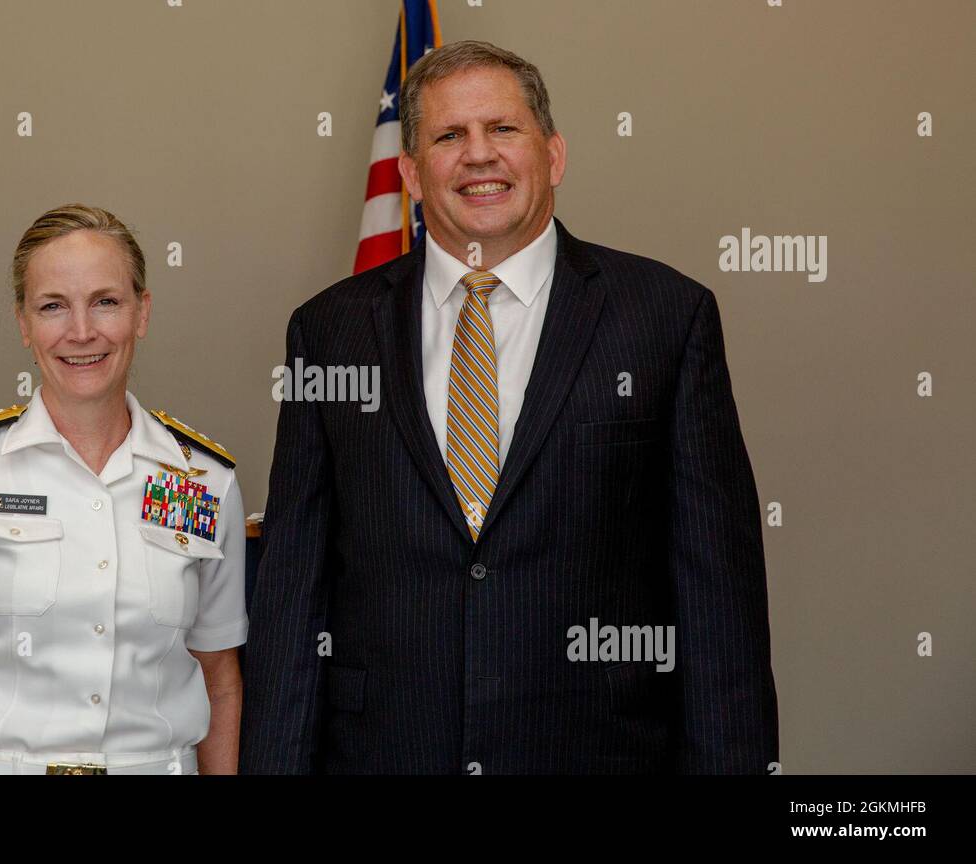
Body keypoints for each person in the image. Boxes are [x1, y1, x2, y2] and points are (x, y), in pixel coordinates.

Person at [240, 40, 779, 773]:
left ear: (553, 155)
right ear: (410, 173)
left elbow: (719, 604)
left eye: (503, 129)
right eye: (449, 136)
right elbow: (294, 590)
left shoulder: (664, 318)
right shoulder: (329, 330)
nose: (479, 155)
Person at [0, 204, 246, 775]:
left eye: (106, 302)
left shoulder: (204, 482)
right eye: (53, 306)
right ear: (24, 324)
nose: (81, 332)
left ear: (142, 313)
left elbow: (220, 680)